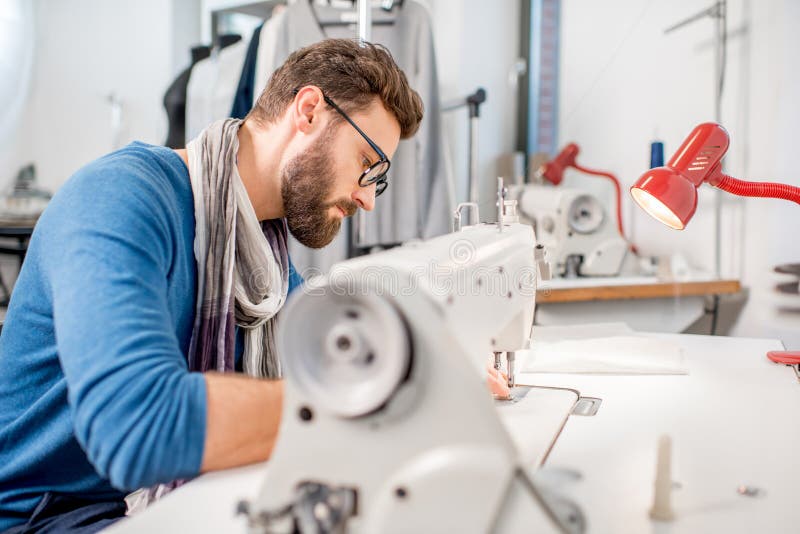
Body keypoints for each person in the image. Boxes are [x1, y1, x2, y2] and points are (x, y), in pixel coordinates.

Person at [0, 38, 423, 533]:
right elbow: (139, 426)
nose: (368, 199)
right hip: (40, 517)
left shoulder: (262, 263)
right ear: (309, 111)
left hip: (134, 505)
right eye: (368, 164)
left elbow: (333, 351)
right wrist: (364, 402)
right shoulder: (121, 198)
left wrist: (430, 375)